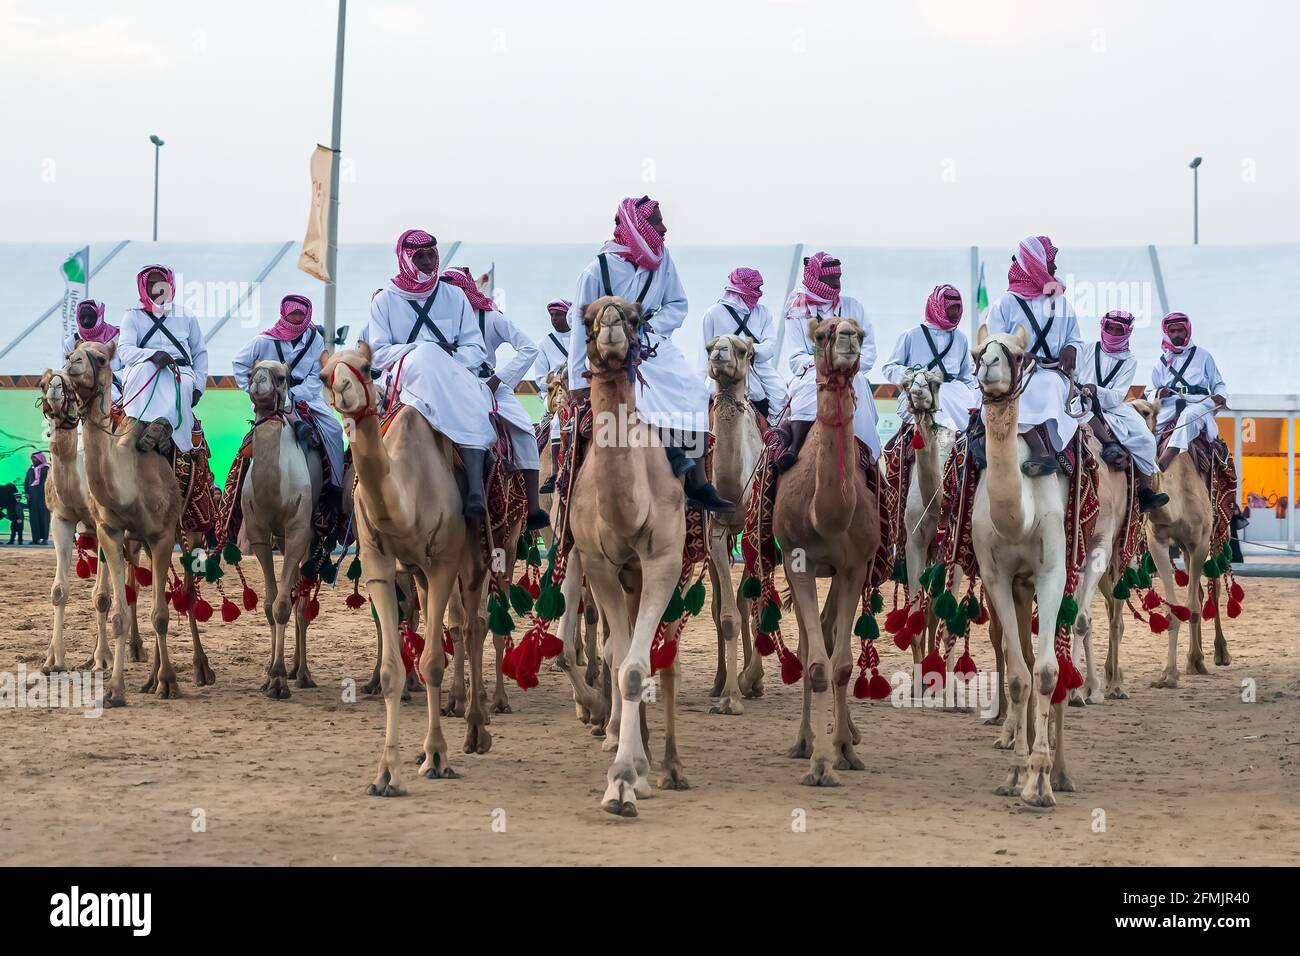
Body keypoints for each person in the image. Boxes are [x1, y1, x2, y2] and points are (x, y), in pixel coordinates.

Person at [566, 196, 731, 511]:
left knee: (695, 391)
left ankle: (697, 480)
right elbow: (579, 322)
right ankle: (668, 453)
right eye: (657, 221)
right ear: (637, 226)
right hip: (610, 354)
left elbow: (677, 304)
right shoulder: (596, 270)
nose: (664, 227)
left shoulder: (663, 260)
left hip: (652, 343)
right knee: (643, 391)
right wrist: (576, 377)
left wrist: (650, 325)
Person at [365, 229, 497, 518]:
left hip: (453, 372)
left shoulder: (454, 296)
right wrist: (423, 348)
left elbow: (475, 347)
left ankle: (477, 489)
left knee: (483, 405)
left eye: (431, 255)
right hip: (404, 375)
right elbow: (377, 353)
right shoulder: (384, 301)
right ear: (405, 259)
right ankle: (352, 502)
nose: (427, 261)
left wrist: (448, 358)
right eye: (419, 256)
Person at [440, 267, 549, 531]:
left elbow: (529, 347)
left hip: (488, 385)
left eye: (453, 288)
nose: (448, 294)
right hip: (448, 385)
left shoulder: (490, 318)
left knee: (525, 429)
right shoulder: (437, 319)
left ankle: (533, 507)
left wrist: (499, 379)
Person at [232, 294, 347, 518]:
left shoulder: (314, 339)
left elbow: (316, 374)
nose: (296, 317)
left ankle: (336, 485)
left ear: (307, 316)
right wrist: (255, 392)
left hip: (306, 396)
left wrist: (296, 394)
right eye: (293, 313)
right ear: (284, 313)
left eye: (301, 314)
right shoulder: (264, 340)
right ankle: (237, 498)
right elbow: (239, 362)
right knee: (249, 443)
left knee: (334, 429)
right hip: (271, 399)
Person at [982, 235, 1084, 476]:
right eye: (1052, 261)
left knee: (1048, 384)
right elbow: (993, 343)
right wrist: (1017, 355)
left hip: (1052, 373)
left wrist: (1072, 348)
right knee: (1020, 391)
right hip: (1014, 376)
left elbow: (1075, 338)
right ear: (1036, 263)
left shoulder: (1061, 302)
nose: (1056, 267)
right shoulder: (1005, 304)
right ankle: (1041, 450)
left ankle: (1057, 446)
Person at [777, 251, 880, 472]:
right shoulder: (797, 310)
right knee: (806, 392)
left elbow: (869, 348)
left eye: (838, 277)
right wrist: (827, 364)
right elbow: (796, 359)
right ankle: (794, 448)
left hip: (851, 372)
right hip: (813, 373)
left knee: (859, 384)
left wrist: (850, 364)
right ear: (815, 279)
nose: (836, 283)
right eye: (829, 279)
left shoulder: (852, 307)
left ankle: (868, 460)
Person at [1074, 310, 1167, 512]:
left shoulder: (1129, 360)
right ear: (1103, 327)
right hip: (1080, 400)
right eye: (1110, 328)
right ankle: (1108, 444)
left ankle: (1145, 491)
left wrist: (1096, 389)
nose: (1113, 333)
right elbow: (1074, 377)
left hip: (1112, 407)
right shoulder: (1087, 349)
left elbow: (1117, 396)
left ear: (1127, 333)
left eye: (1119, 330)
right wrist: (1083, 390)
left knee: (1146, 438)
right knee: (1078, 415)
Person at [117, 264, 209, 454]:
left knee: (184, 386)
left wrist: (198, 387)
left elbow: (199, 353)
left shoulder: (186, 315)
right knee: (145, 370)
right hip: (144, 372)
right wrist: (151, 355)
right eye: (151, 283)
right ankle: (141, 425)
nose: (157, 288)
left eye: (162, 283)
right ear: (143, 286)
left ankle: (165, 431)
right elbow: (125, 351)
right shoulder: (132, 316)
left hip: (180, 372)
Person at [880, 284, 979, 432]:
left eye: (957, 308)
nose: (955, 312)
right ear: (937, 306)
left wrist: (973, 397)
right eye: (951, 307)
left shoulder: (960, 338)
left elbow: (966, 377)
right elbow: (889, 368)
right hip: (921, 391)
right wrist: (911, 375)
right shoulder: (912, 335)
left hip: (957, 395)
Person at [699, 267, 786, 420]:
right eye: (756, 288)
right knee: (699, 404)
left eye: (760, 287)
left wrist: (750, 349)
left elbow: (770, 346)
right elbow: (703, 355)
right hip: (722, 369)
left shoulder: (762, 312)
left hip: (756, 366)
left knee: (781, 397)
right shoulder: (713, 314)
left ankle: (774, 433)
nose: (759, 292)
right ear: (744, 288)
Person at [1147, 312, 1228, 472]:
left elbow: (1218, 384)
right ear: (1167, 333)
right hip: (1169, 406)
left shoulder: (1203, 356)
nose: (1176, 334)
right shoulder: (1161, 362)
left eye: (1180, 330)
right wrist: (1157, 393)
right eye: (1172, 331)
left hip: (1198, 404)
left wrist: (1220, 395)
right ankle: (1142, 476)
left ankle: (1167, 458)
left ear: (1187, 331)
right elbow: (1149, 390)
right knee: (1148, 435)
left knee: (1189, 416)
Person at [535, 299, 571, 495]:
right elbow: (540, 378)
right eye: (552, 316)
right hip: (555, 391)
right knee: (558, 420)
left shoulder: (580, 339)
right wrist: (557, 379)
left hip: (580, 388)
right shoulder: (545, 343)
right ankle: (554, 473)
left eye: (559, 315)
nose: (555, 319)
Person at [63, 299, 122, 400]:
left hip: (114, 385)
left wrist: (104, 376)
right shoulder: (72, 341)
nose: (86, 321)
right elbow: (67, 369)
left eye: (91, 317)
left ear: (99, 317)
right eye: (82, 317)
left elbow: (127, 369)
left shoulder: (118, 337)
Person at [24, 452, 51, 544]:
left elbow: (51, 482)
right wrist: (27, 493)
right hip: (32, 498)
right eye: (32, 459)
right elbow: (26, 482)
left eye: (34, 458)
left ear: (40, 458)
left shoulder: (47, 468)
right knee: (34, 518)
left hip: (44, 497)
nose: (33, 460)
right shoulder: (31, 469)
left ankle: (44, 539)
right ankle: (35, 539)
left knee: (44, 517)